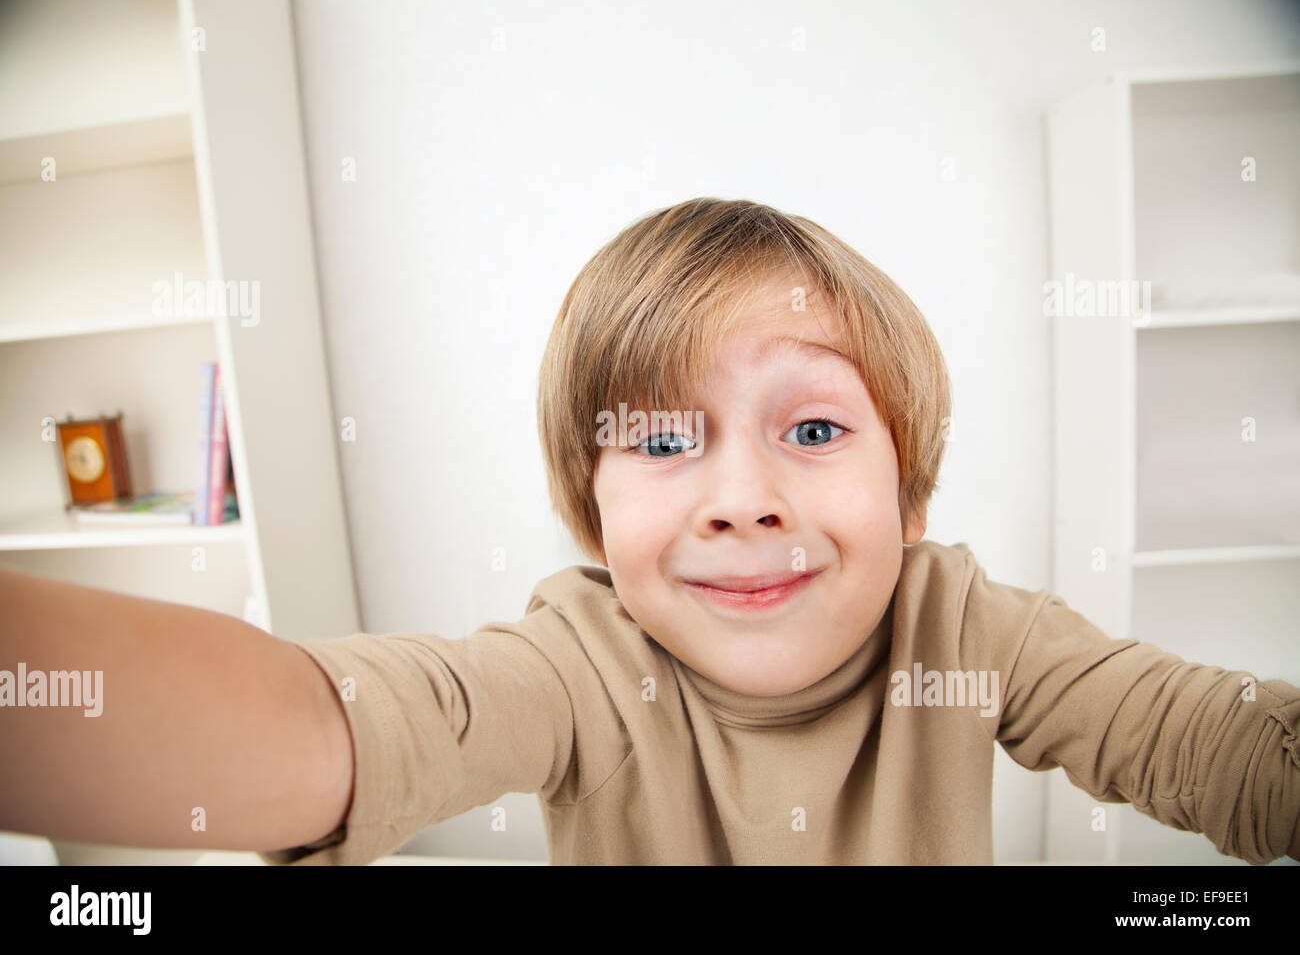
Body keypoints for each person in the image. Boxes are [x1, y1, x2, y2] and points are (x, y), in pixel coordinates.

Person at [2, 198, 1297, 865]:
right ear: (594, 510)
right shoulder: (582, 663)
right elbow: (326, 726)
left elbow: (1212, 745)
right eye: (665, 441)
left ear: (910, 499)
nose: (740, 495)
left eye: (814, 430)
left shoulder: (967, 627)